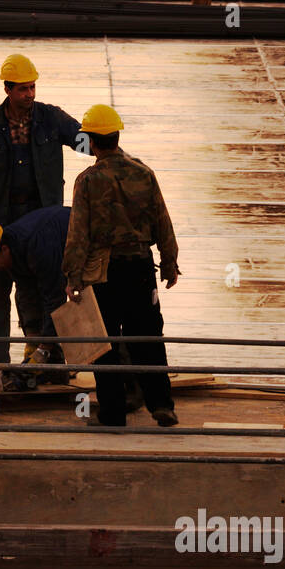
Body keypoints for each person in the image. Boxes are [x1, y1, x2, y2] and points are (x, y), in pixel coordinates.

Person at [0, 53, 82, 379]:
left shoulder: (50, 119)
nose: (29, 94)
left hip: (38, 218)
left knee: (40, 290)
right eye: (23, 89)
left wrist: (107, 148)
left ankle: (46, 357)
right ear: (7, 89)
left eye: (32, 87)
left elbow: (83, 139)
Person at [62, 104, 180, 427]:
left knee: (106, 343)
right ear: (116, 135)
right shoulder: (144, 173)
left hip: (104, 273)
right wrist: (169, 264)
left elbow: (78, 234)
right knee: (148, 337)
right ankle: (162, 405)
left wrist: (72, 276)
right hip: (141, 267)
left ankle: (113, 412)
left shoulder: (87, 180)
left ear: (92, 141)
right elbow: (163, 222)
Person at [0, 206, 72, 390]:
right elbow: (26, 294)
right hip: (54, 249)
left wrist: (43, 349)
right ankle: (53, 368)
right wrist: (32, 340)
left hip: (88, 246)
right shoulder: (12, 251)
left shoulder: (39, 246)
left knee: (98, 313)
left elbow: (55, 300)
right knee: (29, 300)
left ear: (4, 249)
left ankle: (125, 377)